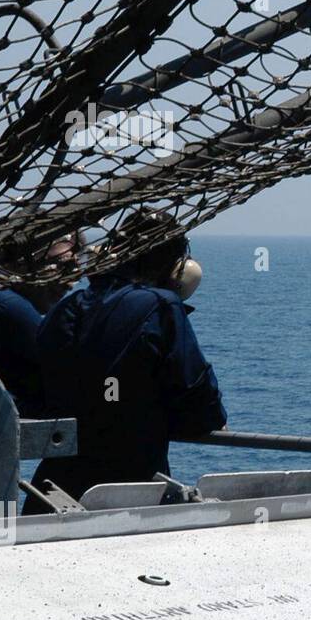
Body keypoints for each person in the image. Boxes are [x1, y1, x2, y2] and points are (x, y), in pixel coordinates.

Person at [32, 213, 226, 506]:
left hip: (51, 491)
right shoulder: (160, 306)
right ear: (174, 268)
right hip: (128, 491)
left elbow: (36, 394)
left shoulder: (65, 307)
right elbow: (200, 404)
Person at [0, 235, 82, 417]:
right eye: (62, 265)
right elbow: (67, 377)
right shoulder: (6, 304)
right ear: (25, 259)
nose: (71, 283)